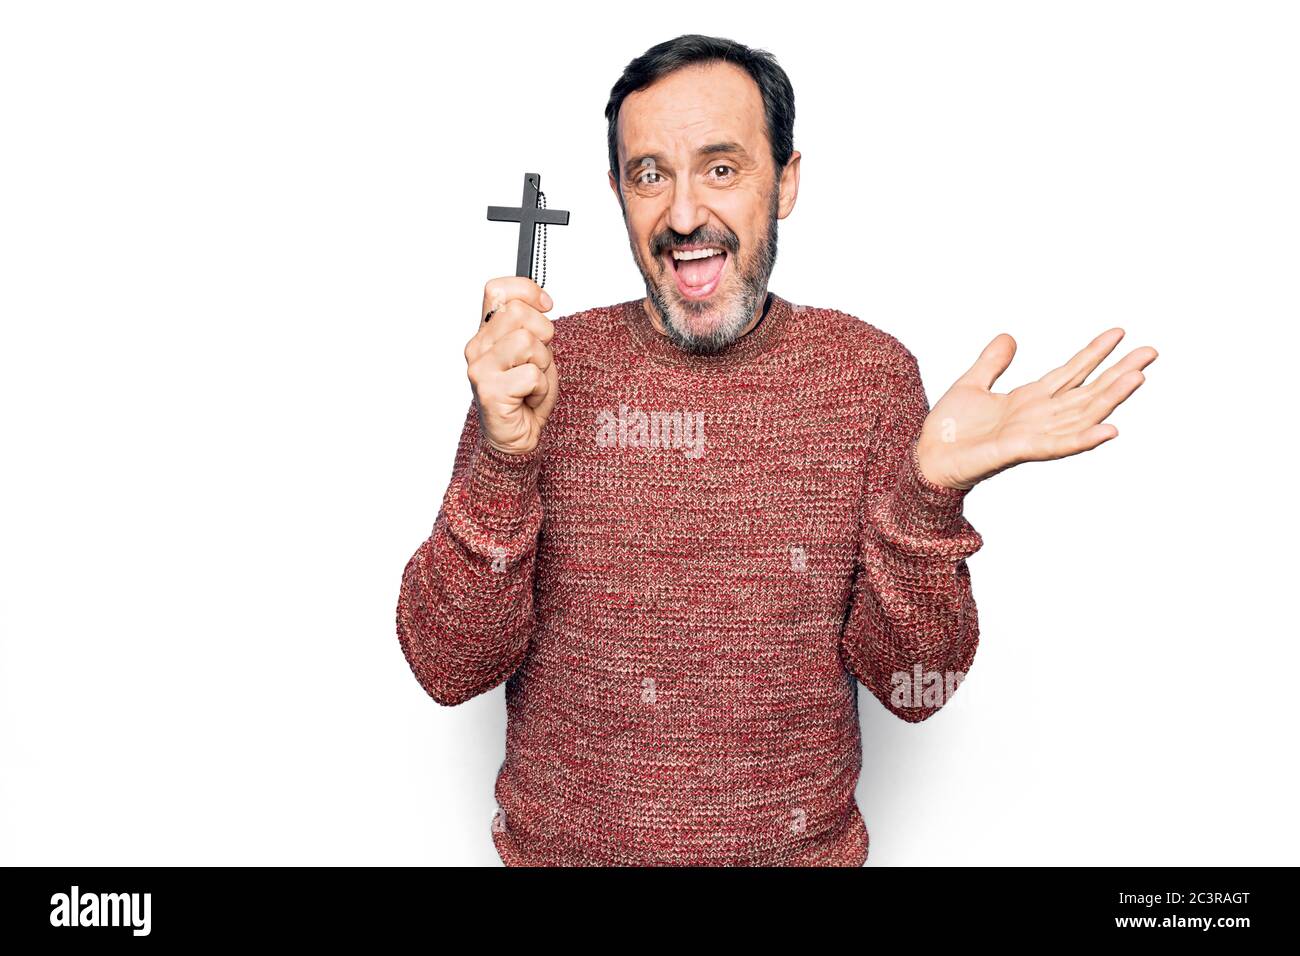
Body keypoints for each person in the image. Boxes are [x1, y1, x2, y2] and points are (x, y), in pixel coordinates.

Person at [396, 33, 1157, 866]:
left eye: (721, 168)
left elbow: (916, 688)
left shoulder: (866, 378)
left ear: (786, 180)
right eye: (651, 174)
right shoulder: (537, 371)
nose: (684, 214)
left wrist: (928, 499)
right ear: (617, 192)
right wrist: (504, 460)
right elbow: (448, 666)